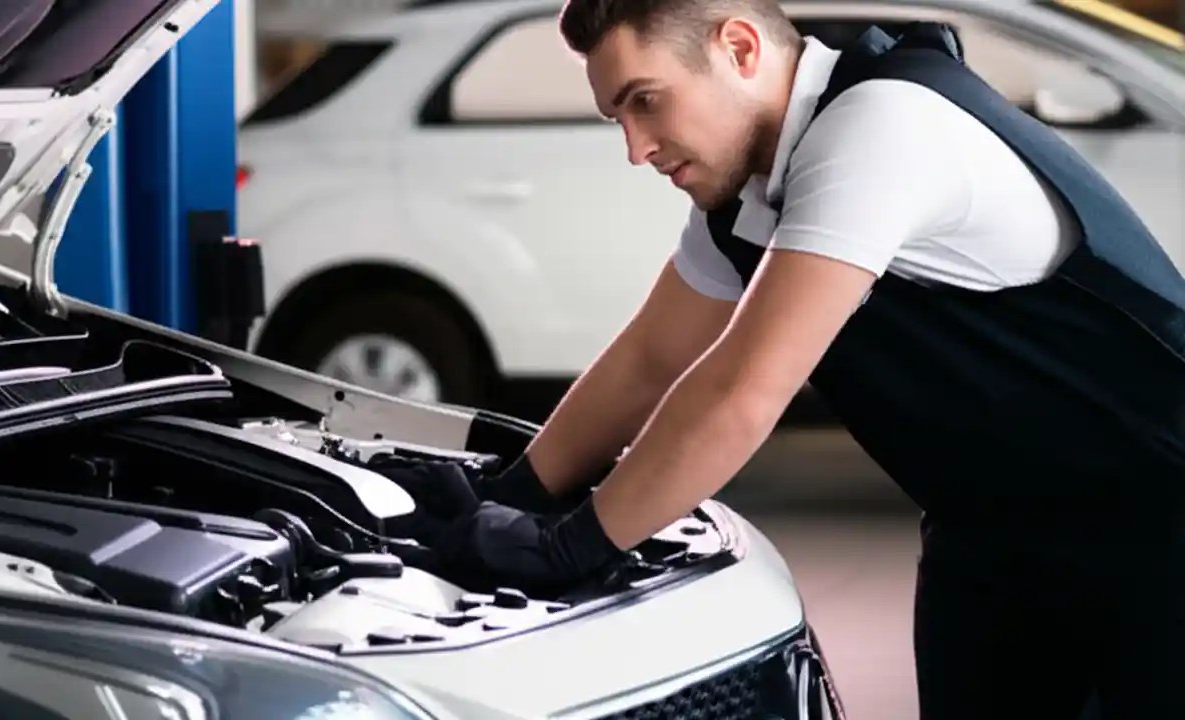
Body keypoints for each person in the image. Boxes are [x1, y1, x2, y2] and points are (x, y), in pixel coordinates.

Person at [378, 1, 1185, 717]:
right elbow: (650, 359)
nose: (635, 148)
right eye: (615, 118)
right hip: (992, 534)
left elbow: (742, 390)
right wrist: (512, 490)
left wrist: (575, 545)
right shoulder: (749, 194)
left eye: (644, 101)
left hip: (1157, 525)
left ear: (739, 48)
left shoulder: (882, 125)